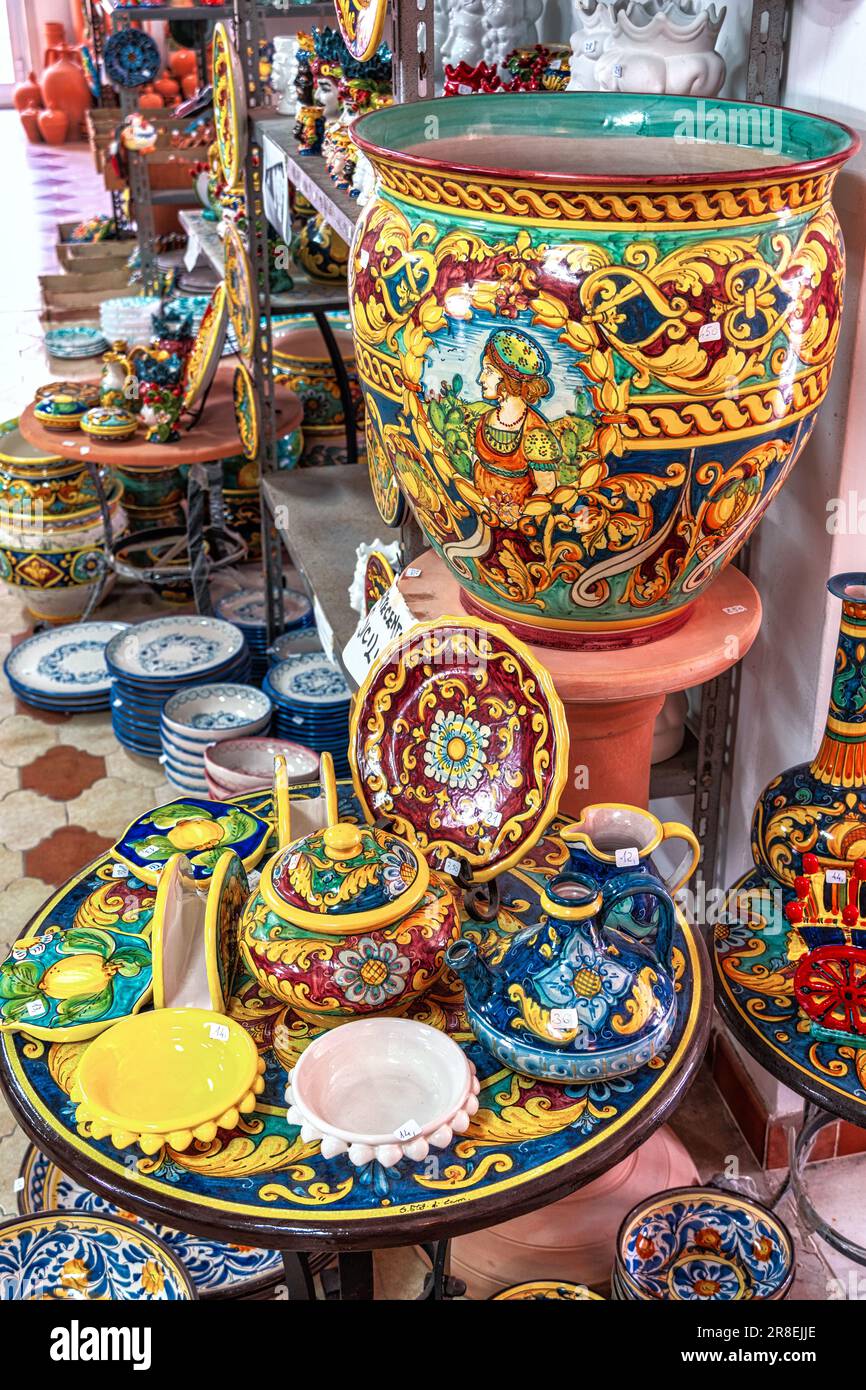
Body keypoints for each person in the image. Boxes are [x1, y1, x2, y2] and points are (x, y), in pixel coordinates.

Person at [473, 327, 561, 509]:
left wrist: (518, 515)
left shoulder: (536, 434)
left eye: (488, 371)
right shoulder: (484, 420)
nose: (480, 379)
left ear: (508, 379)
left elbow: (546, 488)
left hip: (517, 520)